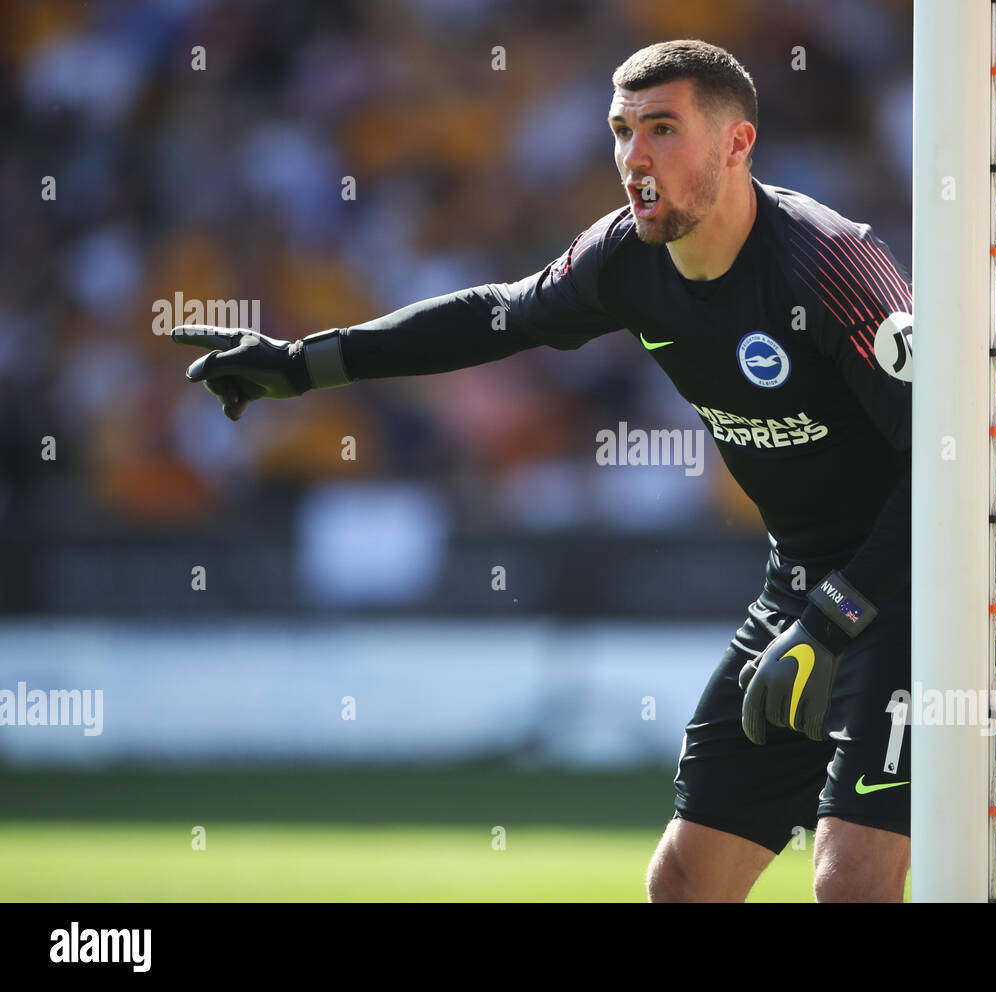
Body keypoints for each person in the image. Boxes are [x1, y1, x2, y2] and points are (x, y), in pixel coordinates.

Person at [173, 39, 935, 902]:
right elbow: (497, 316)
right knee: (685, 882)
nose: (634, 157)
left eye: (662, 129)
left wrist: (837, 620)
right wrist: (306, 366)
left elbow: (947, 470)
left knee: (852, 884)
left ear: (736, 144)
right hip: (800, 589)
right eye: (620, 131)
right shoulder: (626, 259)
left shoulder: (833, 267)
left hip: (915, 592)